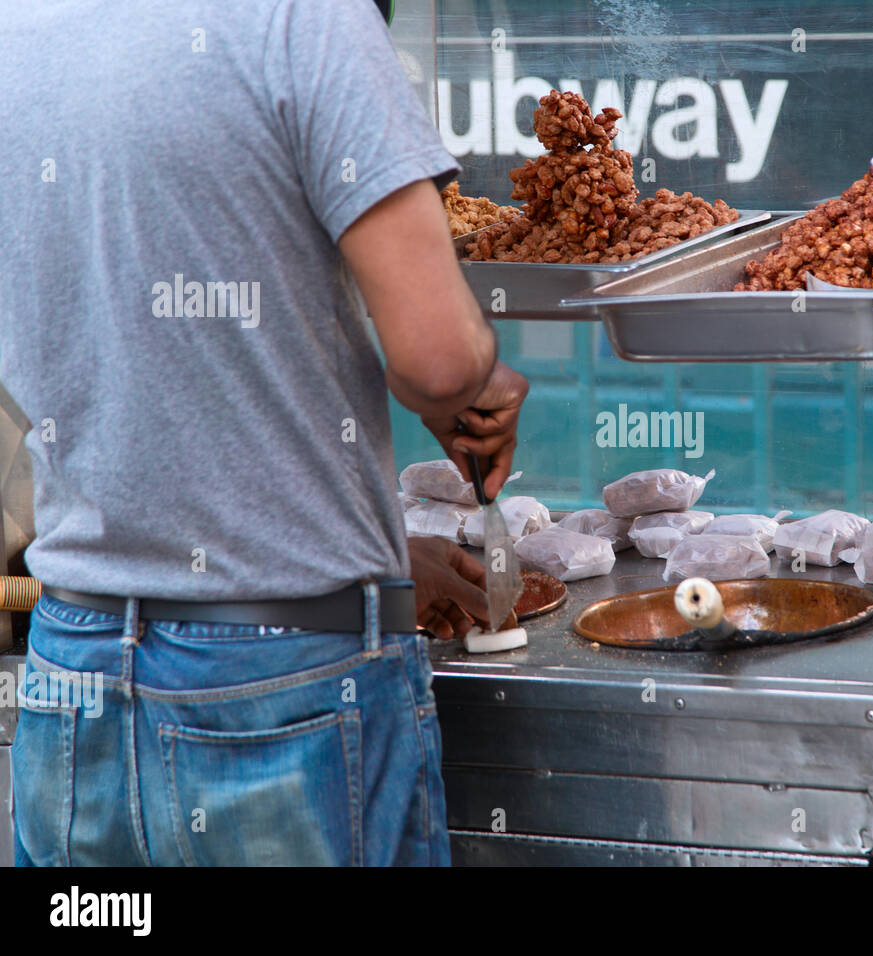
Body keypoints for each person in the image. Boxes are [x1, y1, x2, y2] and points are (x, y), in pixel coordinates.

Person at [0, 0, 524, 865]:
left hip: (73, 679)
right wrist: (476, 371)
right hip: (287, 691)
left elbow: (121, 328)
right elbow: (436, 361)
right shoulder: (305, 16)